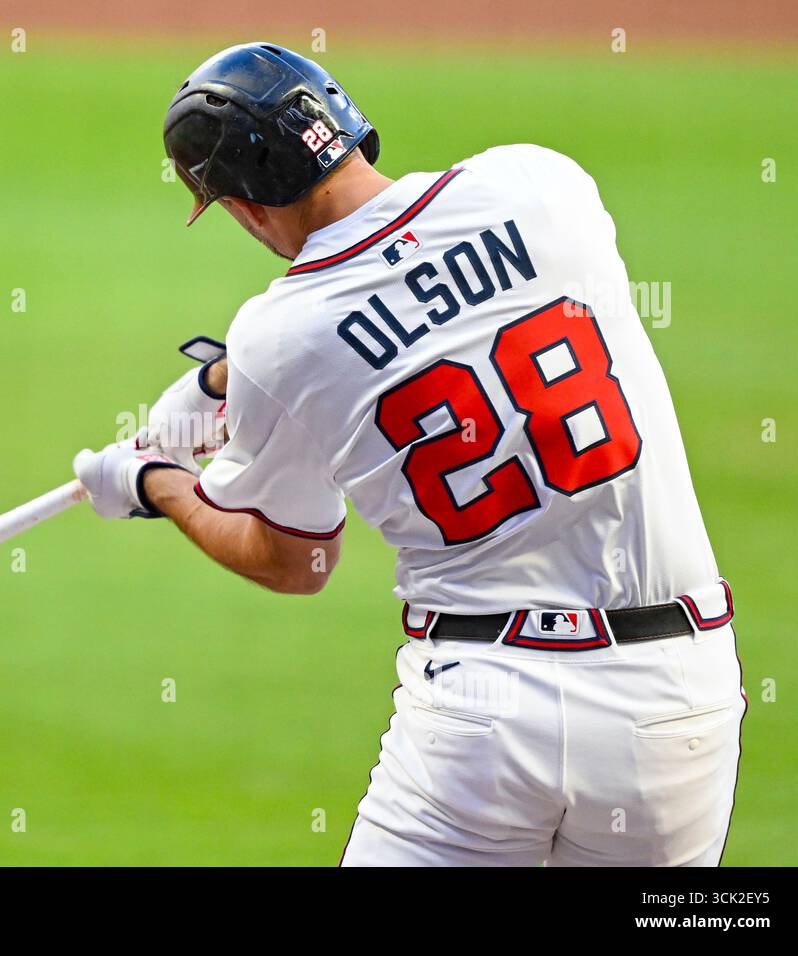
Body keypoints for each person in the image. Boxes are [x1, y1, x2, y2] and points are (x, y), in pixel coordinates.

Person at [72, 42, 744, 866]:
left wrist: (157, 484)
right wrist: (223, 382)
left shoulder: (278, 342)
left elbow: (297, 564)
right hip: (679, 699)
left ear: (245, 206)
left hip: (485, 715)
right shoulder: (541, 182)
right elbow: (444, 305)